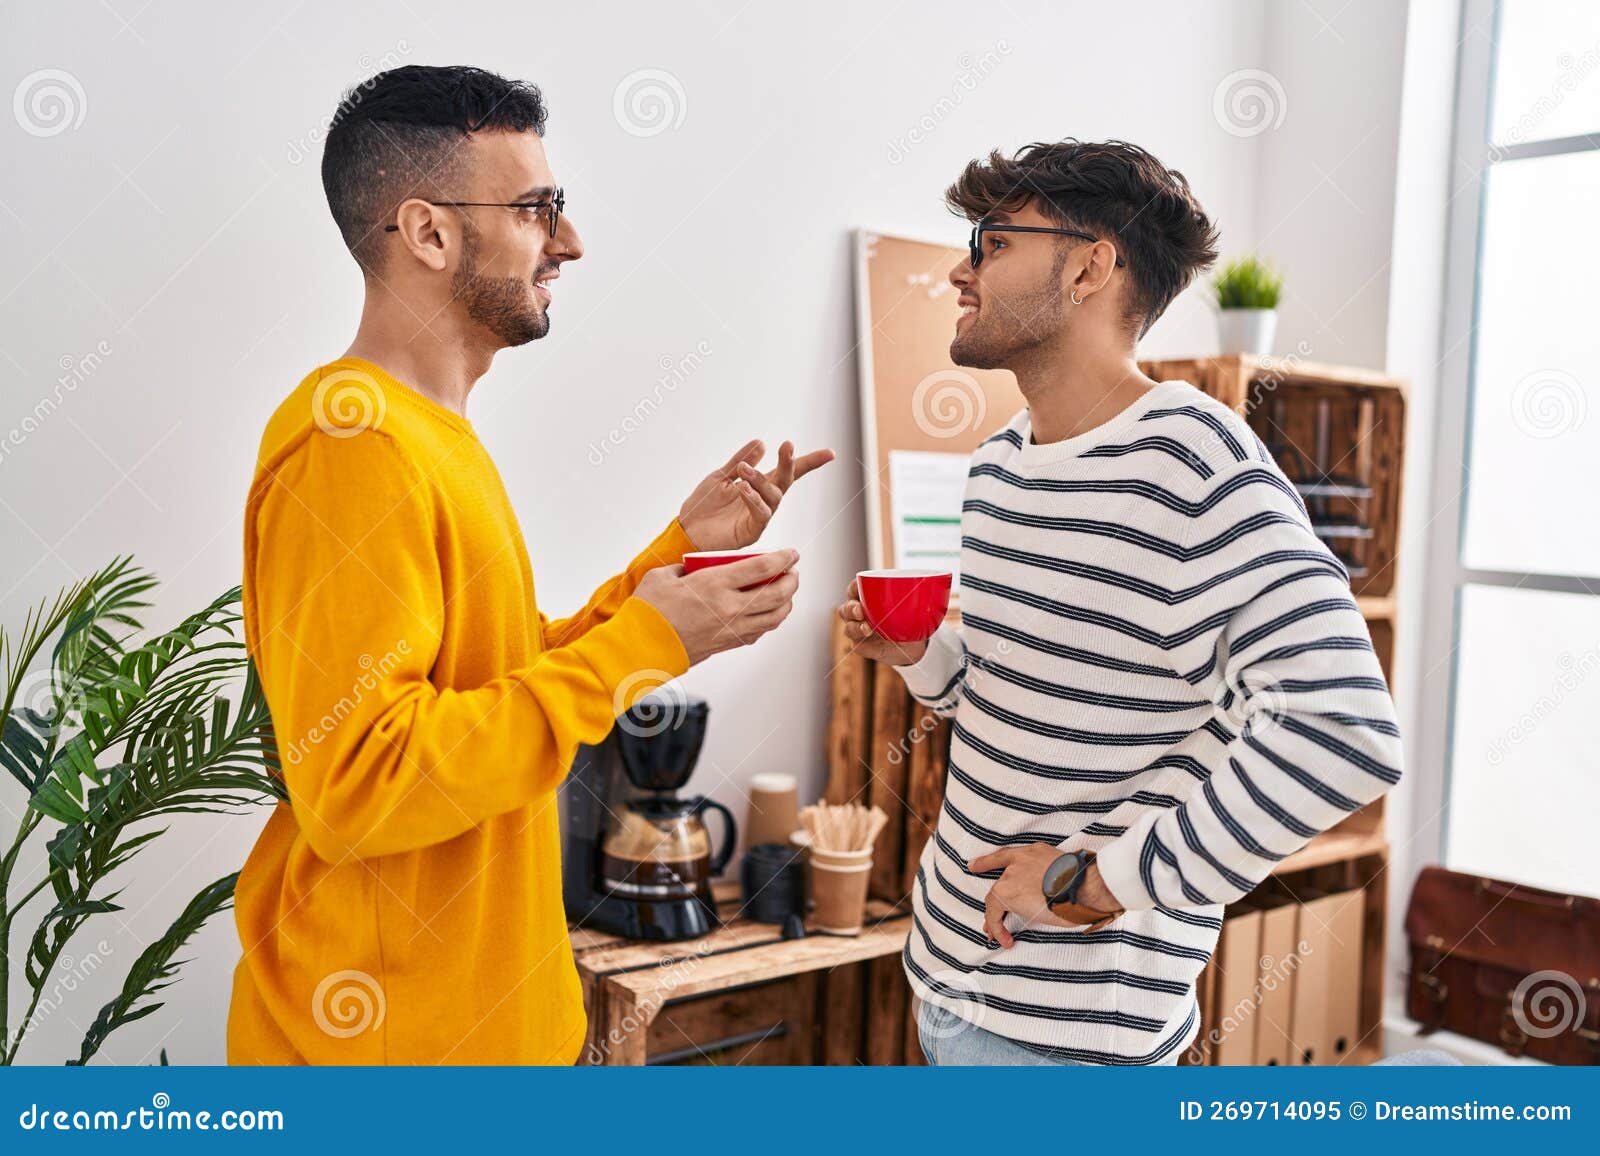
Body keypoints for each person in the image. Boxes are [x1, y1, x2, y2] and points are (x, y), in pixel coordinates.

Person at [228, 65, 832, 1065]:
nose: (570, 241)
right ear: (429, 234)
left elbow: (492, 682)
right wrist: (644, 642)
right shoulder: (351, 444)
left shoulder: (425, 435)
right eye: (536, 209)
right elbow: (361, 784)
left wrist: (671, 563)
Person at [836, 140, 1402, 1065]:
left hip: (1071, 1041)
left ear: (1089, 269)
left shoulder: (1196, 466)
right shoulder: (1001, 465)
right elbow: (1010, 698)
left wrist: (1092, 881)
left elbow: (1343, 734)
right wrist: (922, 657)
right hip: (945, 977)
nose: (960, 271)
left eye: (992, 243)